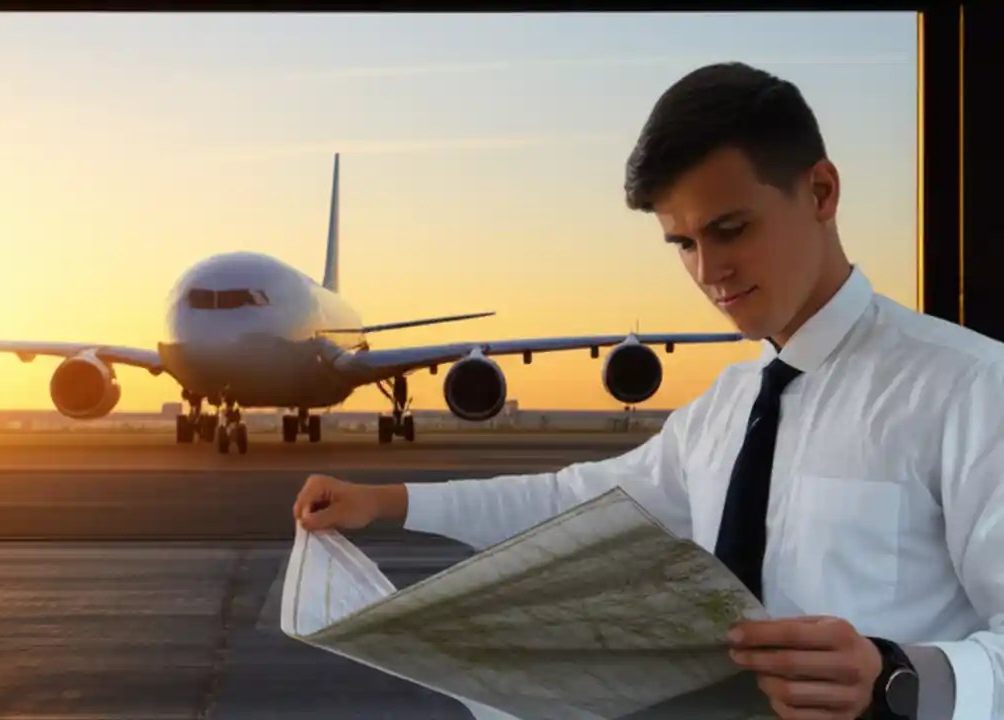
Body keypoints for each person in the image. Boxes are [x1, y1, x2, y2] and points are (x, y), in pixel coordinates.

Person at [292, 62, 1003, 720]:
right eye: (684, 244)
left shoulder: (970, 387)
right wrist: (387, 502)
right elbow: (574, 504)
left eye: (731, 230)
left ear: (821, 191)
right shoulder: (728, 409)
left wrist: (896, 677)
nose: (709, 271)